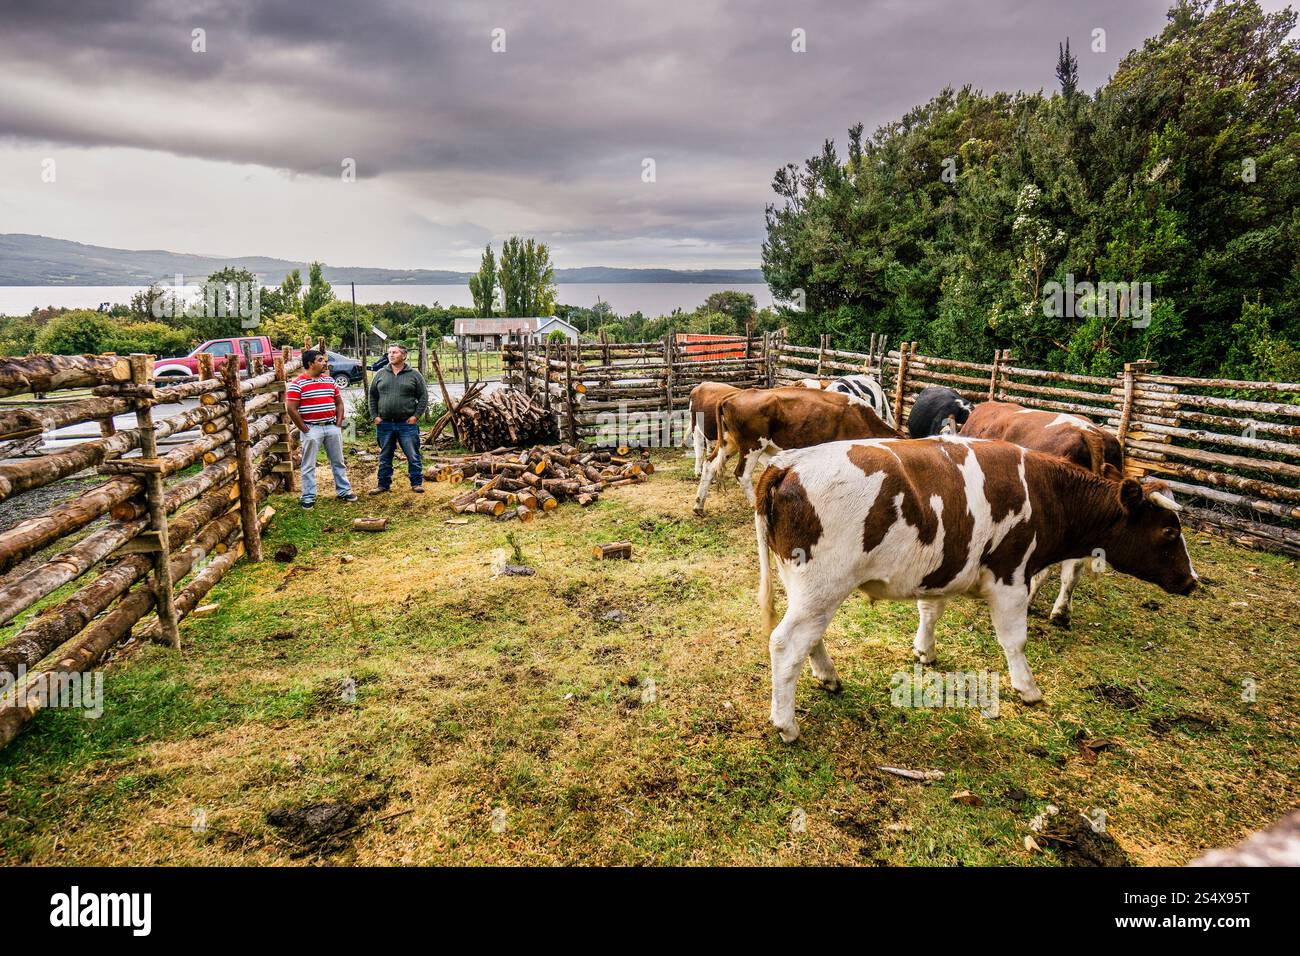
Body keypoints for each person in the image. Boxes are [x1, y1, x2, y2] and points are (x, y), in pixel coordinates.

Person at [286, 349, 358, 509]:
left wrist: (338, 423)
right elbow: (291, 408)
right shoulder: (298, 384)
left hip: (331, 426)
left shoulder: (329, 381)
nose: (325, 363)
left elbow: (339, 403)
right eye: (320, 360)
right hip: (312, 429)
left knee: (338, 461)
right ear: (310, 363)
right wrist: (305, 429)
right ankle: (308, 496)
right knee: (309, 464)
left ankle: (344, 491)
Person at [368, 343, 429, 494]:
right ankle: (383, 484)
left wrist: (416, 416)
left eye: (395, 352)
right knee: (385, 455)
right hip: (385, 423)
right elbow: (372, 396)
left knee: (413, 454)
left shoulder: (414, 375)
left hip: (406, 424)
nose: (391, 355)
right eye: (389, 352)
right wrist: (375, 416)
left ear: (404, 355)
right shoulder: (381, 374)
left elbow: (423, 397)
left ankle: (416, 483)